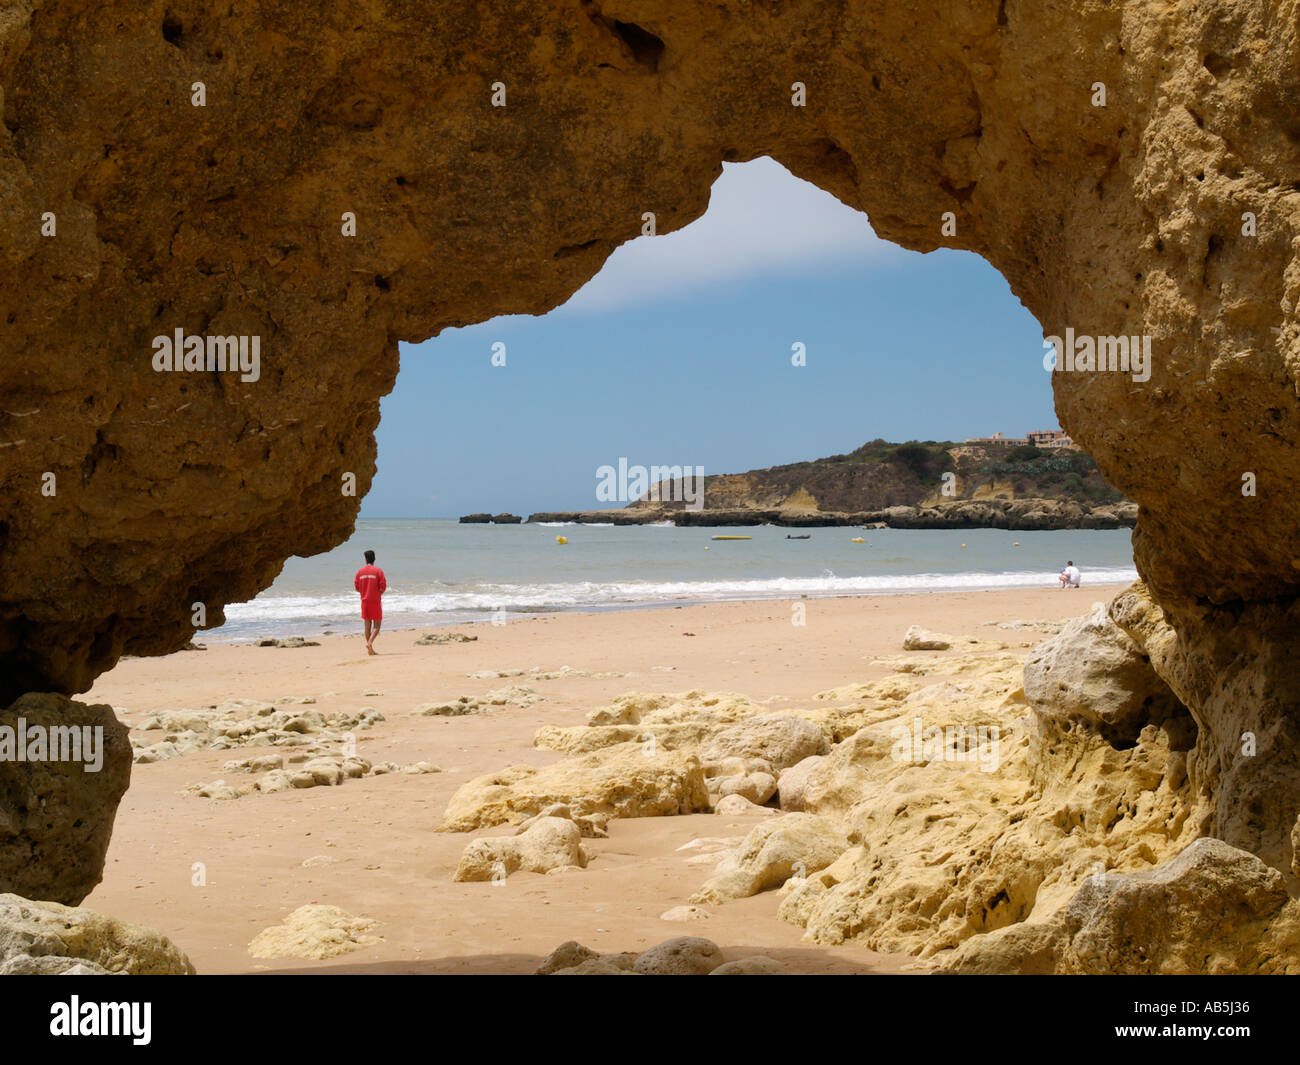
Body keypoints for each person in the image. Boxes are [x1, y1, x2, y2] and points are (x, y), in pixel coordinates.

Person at [354, 550, 387, 654]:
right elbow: (383, 587)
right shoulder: (378, 571)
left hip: (365, 601)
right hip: (375, 601)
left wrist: (364, 591)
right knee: (377, 626)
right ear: (374, 558)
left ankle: (370, 649)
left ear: (365, 559)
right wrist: (377, 593)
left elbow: (357, 587)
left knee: (367, 626)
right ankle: (370, 643)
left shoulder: (360, 572)